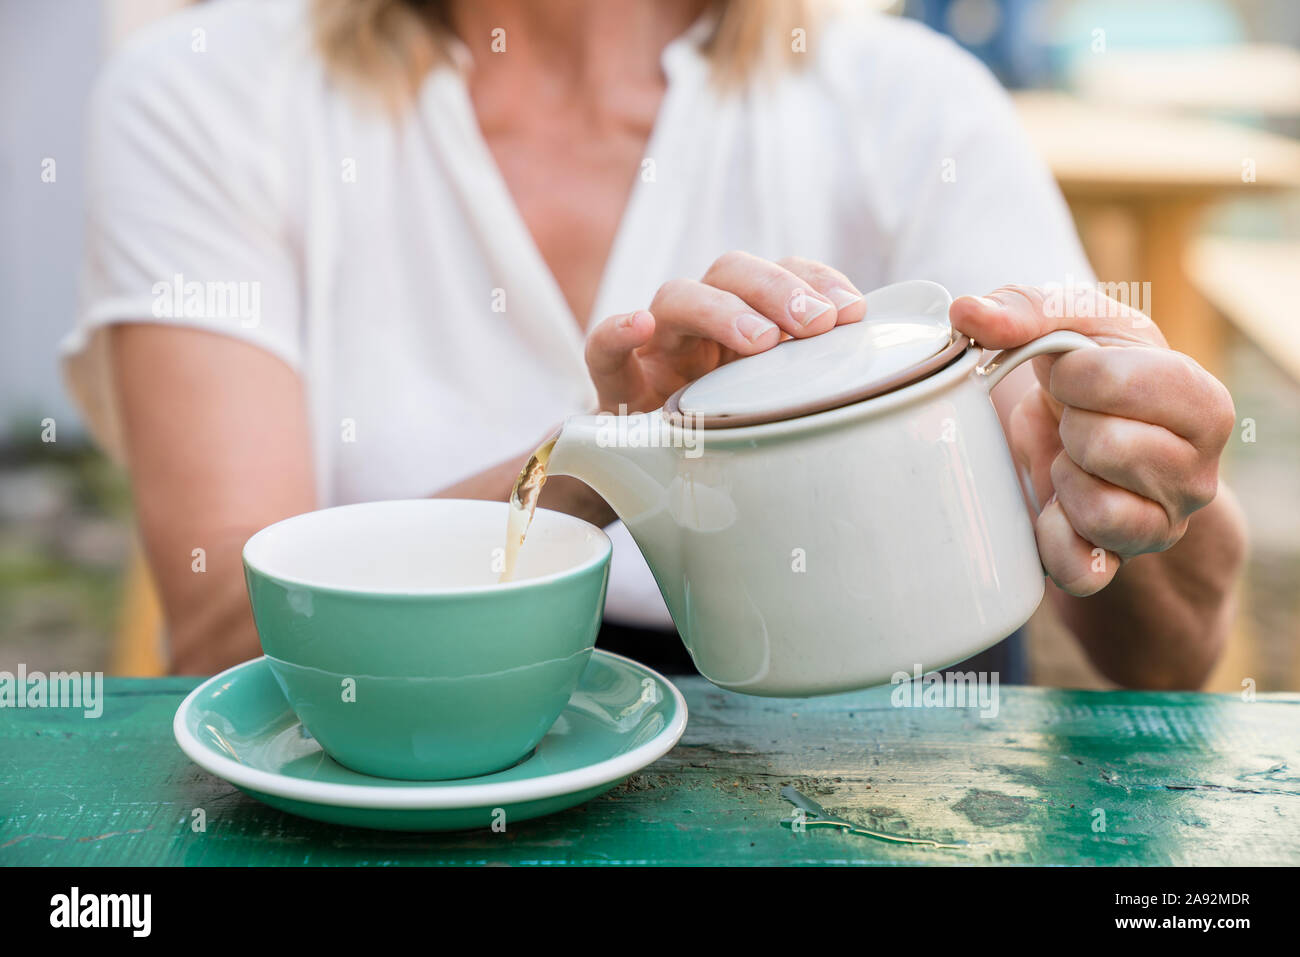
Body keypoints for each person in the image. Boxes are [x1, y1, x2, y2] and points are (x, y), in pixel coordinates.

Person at [63, 0, 1245, 685]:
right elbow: (231, 646)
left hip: (896, 784)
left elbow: (1167, 660)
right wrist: (610, 461)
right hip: (421, 770)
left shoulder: (910, 104)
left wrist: (1150, 494)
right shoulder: (209, 96)